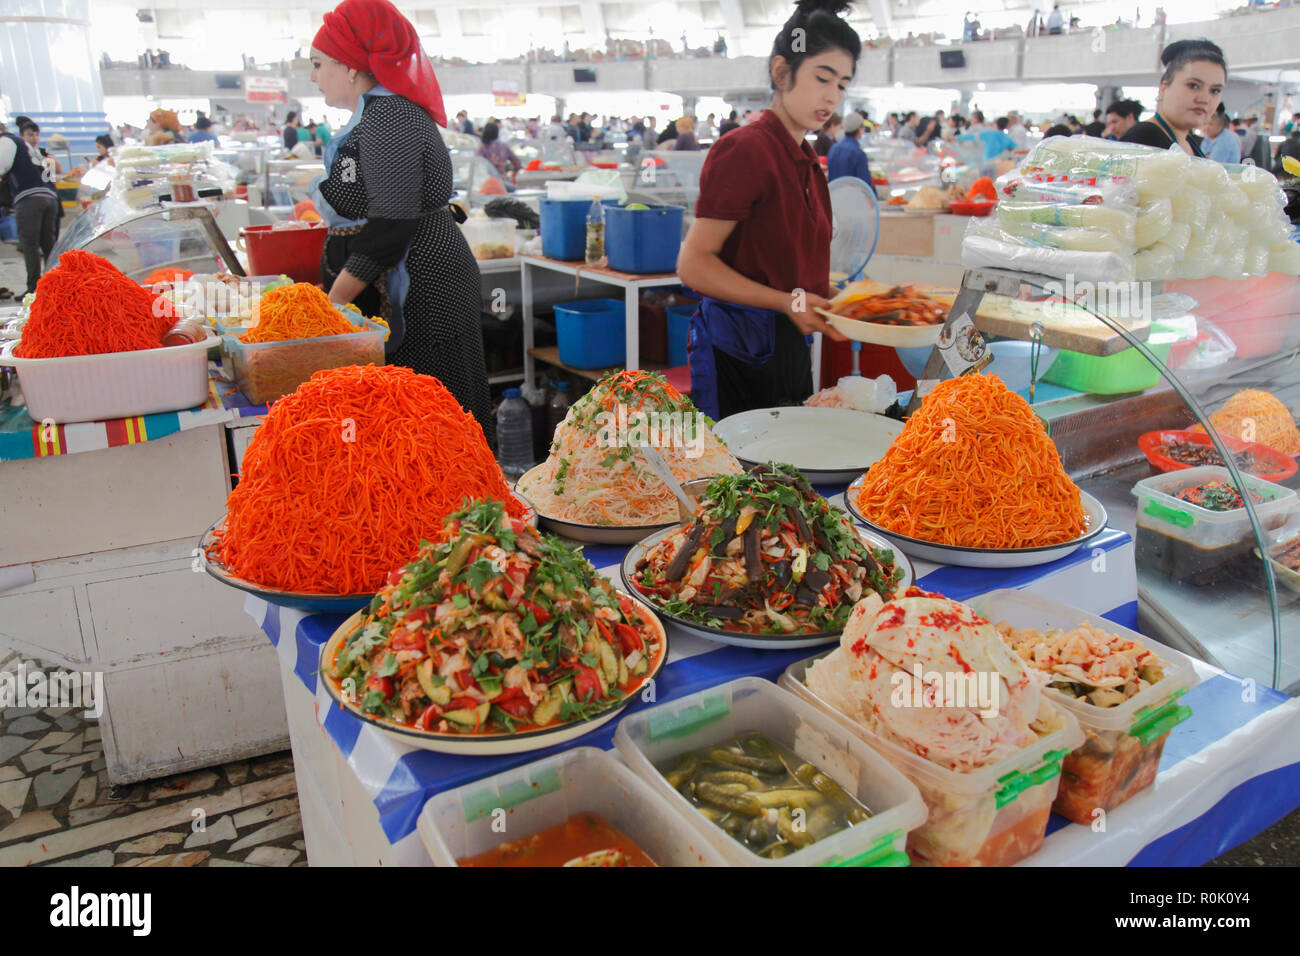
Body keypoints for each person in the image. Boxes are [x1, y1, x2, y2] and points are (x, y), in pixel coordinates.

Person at [309, 0, 494, 442]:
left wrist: (331, 305)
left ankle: (465, 508)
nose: (313, 77)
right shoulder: (374, 115)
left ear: (351, 67)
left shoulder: (389, 117)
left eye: (318, 65)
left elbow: (392, 224)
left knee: (438, 417)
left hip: (424, 288)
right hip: (409, 278)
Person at [675, 0, 854, 420]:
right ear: (781, 72)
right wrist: (789, 302)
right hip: (737, 349)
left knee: (788, 472)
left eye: (843, 84)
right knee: (739, 475)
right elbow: (694, 265)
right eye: (822, 78)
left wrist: (844, 301)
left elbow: (783, 270)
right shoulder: (745, 149)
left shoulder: (807, 161)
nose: (832, 96)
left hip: (789, 344)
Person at [1121, 39, 1225, 158]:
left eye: (1215, 91)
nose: (1205, 99)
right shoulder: (1144, 139)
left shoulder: (1188, 142)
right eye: (1193, 86)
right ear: (1163, 89)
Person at [1, 123, 60, 297]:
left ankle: (34, 288)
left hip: (29, 199)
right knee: (47, 243)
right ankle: (55, 285)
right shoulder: (24, 144)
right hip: (49, 197)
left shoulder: (6, 141)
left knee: (29, 244)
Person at [827, 110, 873, 190]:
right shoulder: (858, 153)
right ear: (859, 129)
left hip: (833, 196)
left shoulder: (833, 148)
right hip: (852, 198)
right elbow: (865, 185)